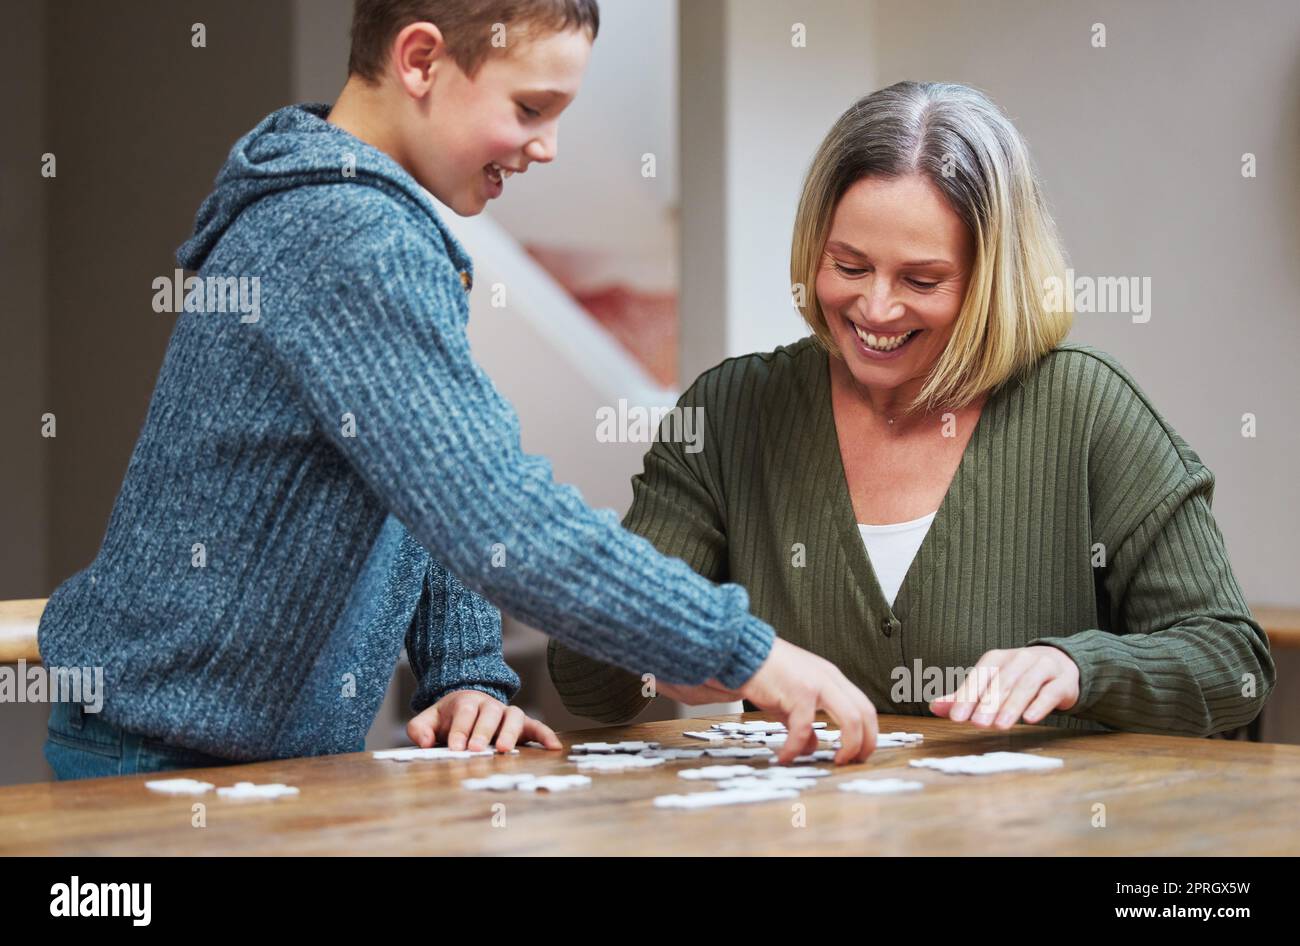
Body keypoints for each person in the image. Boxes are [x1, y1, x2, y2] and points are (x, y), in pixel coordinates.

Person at [38, 0, 879, 780]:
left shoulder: (366, 220)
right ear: (419, 60)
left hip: (245, 758)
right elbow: (495, 511)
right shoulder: (350, 237)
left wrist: (465, 674)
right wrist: (747, 652)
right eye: (531, 108)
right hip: (160, 760)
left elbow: (423, 478)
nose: (547, 145)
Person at [549, 81, 1275, 739]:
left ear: (994, 282)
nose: (876, 308)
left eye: (922, 279)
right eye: (849, 266)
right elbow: (583, 680)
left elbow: (1232, 662)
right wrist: (658, 646)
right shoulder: (732, 411)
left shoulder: (1087, 410)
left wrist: (1081, 667)